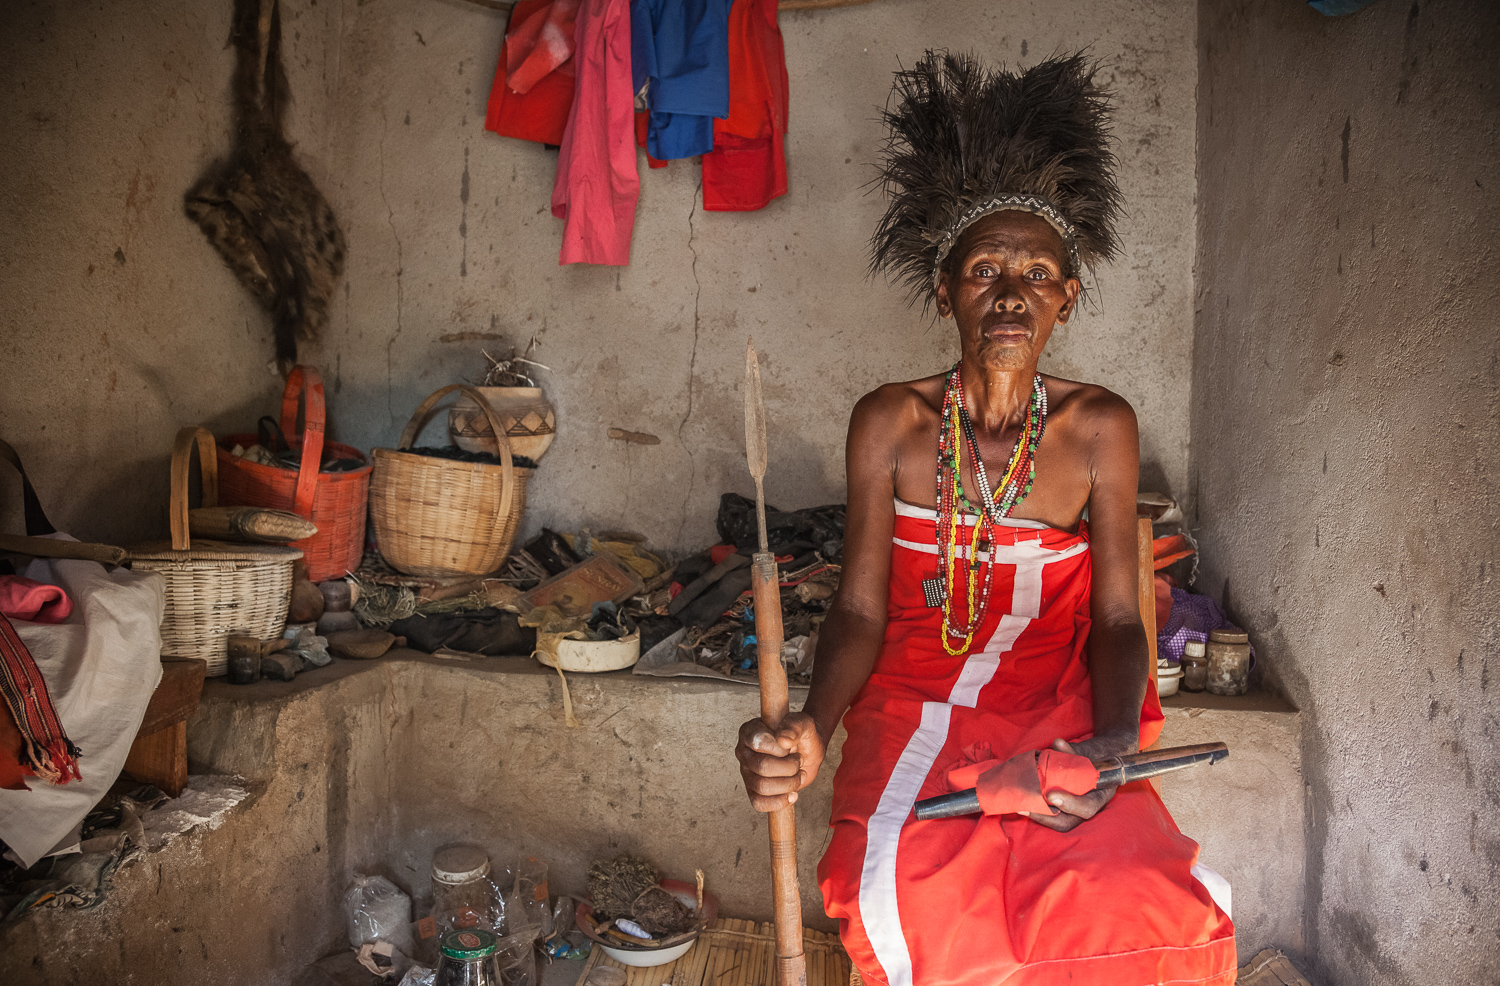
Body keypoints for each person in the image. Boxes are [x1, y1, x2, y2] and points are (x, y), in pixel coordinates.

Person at [734, 53, 1237, 985]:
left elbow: (1123, 619)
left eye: (1038, 272)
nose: (1011, 292)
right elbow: (858, 611)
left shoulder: (1100, 428)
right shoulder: (890, 421)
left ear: (1066, 298)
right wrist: (811, 722)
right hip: (908, 703)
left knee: (1131, 892)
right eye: (986, 270)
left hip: (1060, 703)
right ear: (946, 289)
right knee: (908, 887)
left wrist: (1112, 753)